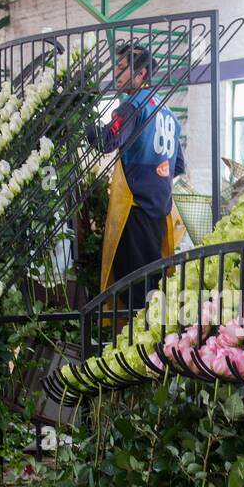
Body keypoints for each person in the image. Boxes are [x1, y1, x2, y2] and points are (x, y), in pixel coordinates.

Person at [86, 42, 187, 299]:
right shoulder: (168, 113)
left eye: (121, 68)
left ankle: (136, 337)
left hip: (135, 208)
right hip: (158, 209)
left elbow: (107, 140)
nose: (116, 75)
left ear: (141, 73)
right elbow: (178, 166)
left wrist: (84, 122)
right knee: (153, 281)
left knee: (132, 287)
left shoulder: (133, 105)